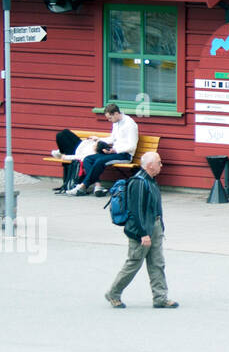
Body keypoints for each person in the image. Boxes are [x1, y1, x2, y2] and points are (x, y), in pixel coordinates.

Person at [104, 151, 177, 309]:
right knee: (134, 263)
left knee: (157, 263)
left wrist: (159, 226)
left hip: (155, 226)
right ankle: (113, 293)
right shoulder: (138, 182)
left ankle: (160, 297)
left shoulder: (151, 180)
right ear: (150, 165)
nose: (161, 165)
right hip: (142, 230)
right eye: (159, 162)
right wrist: (143, 233)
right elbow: (135, 211)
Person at [70, 103, 138, 196]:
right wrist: (98, 139)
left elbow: (132, 146)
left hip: (124, 154)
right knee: (88, 159)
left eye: (110, 118)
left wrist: (115, 150)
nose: (109, 120)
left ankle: (83, 186)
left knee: (99, 161)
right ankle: (98, 186)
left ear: (116, 113)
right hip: (113, 151)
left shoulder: (130, 124)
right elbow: (112, 138)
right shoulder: (116, 122)